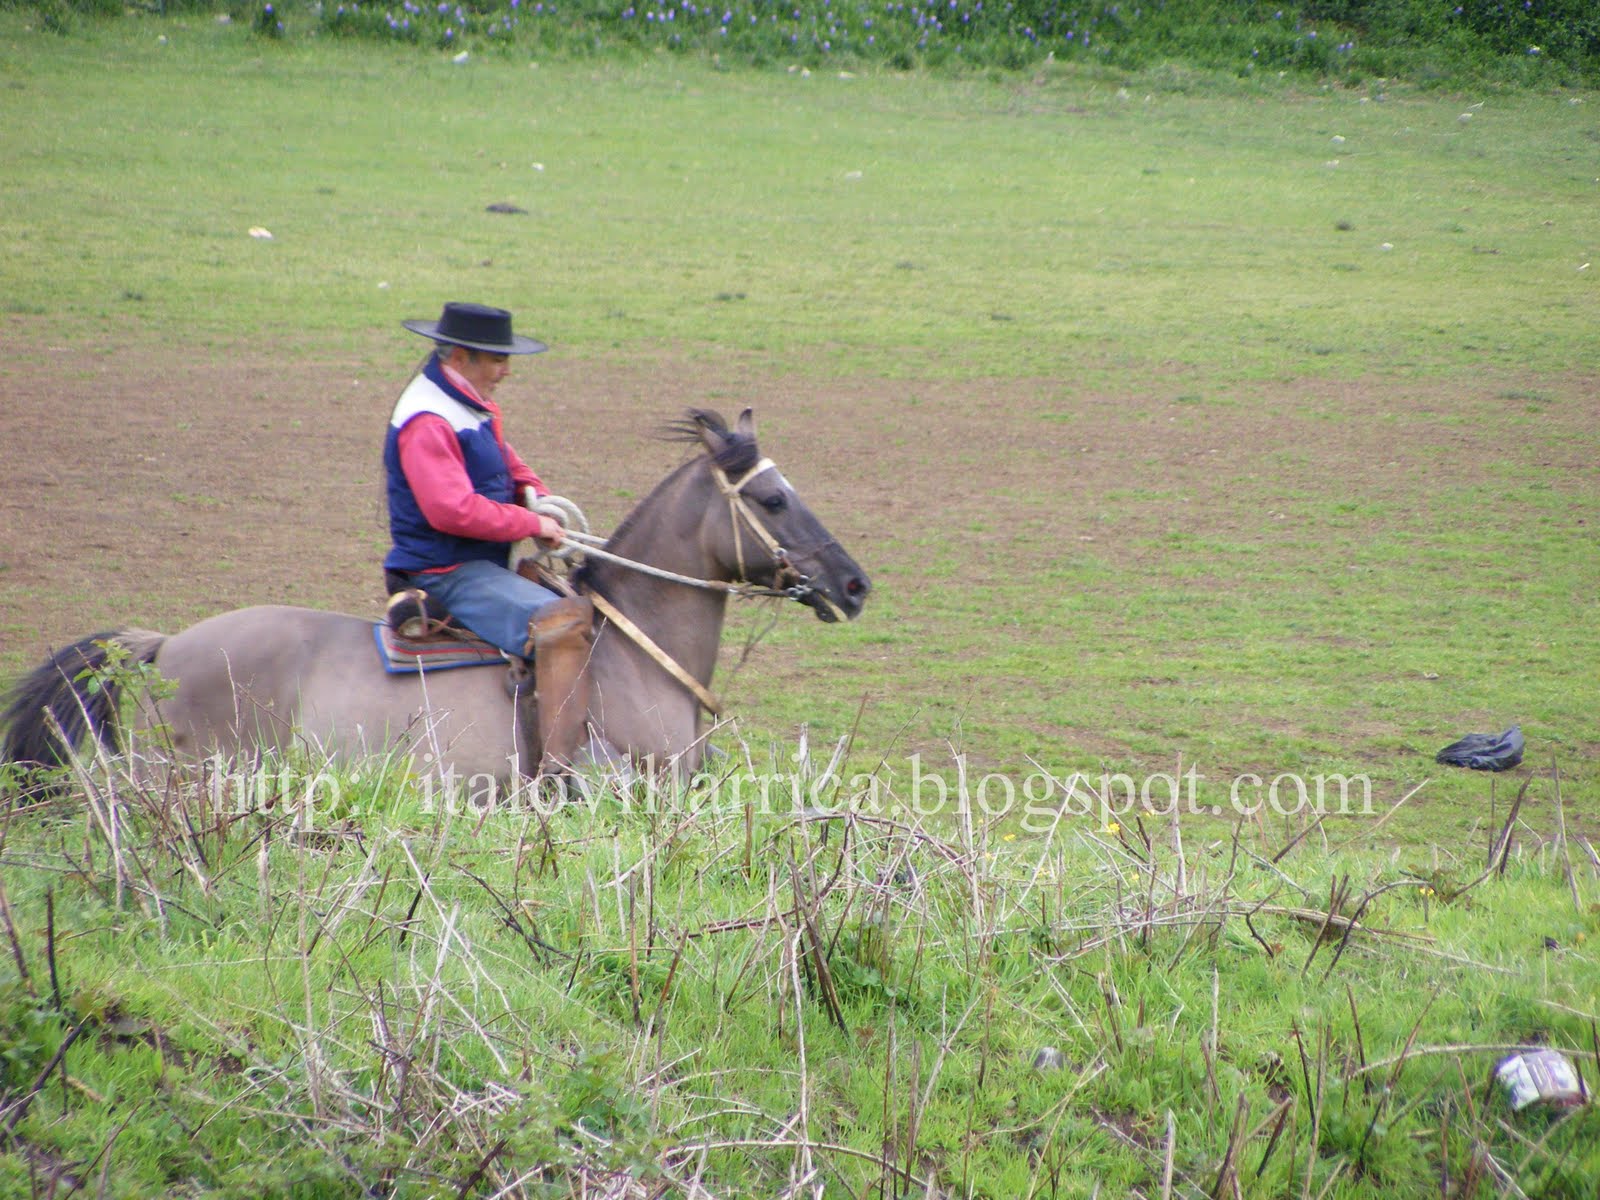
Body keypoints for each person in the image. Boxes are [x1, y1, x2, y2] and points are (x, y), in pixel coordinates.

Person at [382, 301, 593, 773]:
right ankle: (561, 773)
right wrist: (531, 524)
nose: (506, 371)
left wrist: (534, 492)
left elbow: (502, 457)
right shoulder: (428, 420)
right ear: (460, 357)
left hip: (476, 564)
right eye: (497, 359)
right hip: (445, 571)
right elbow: (451, 509)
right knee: (561, 623)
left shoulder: (465, 402)